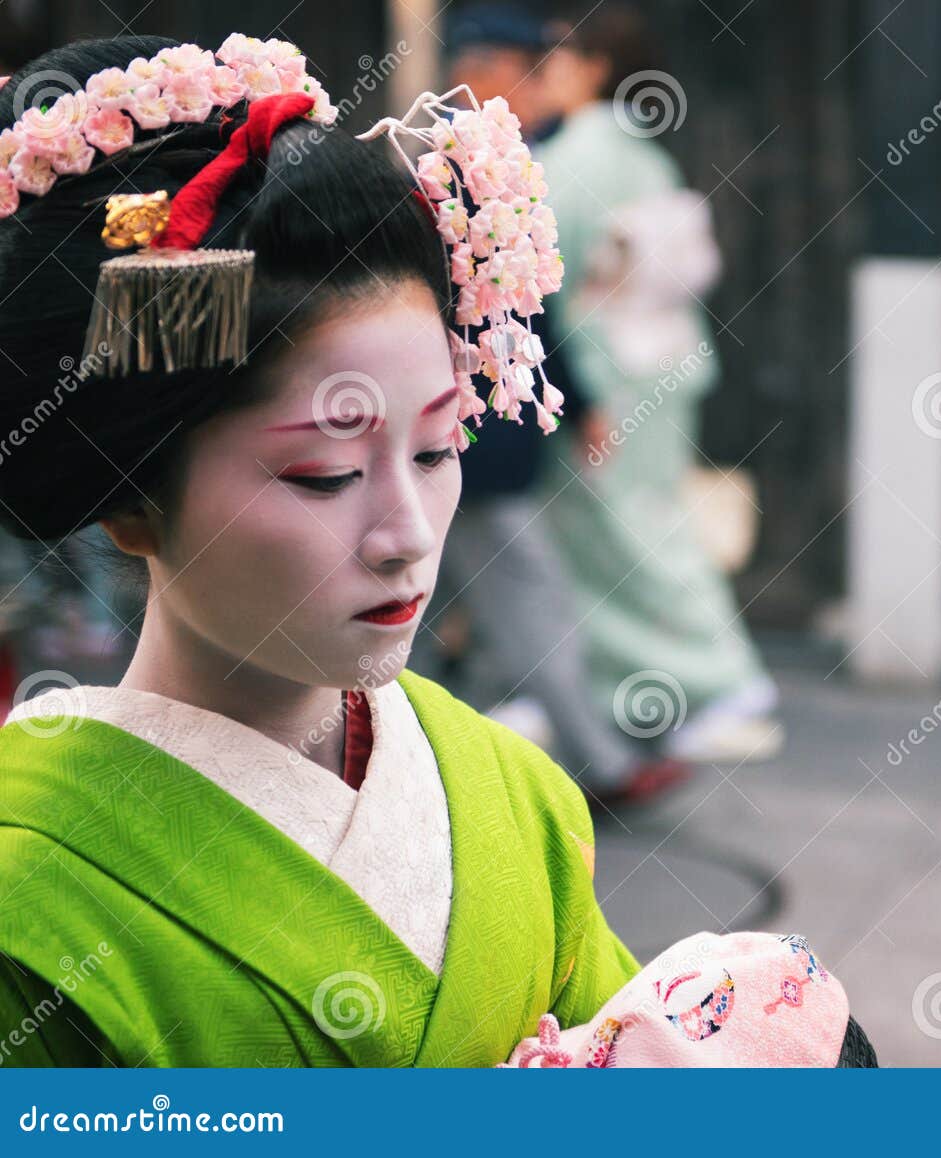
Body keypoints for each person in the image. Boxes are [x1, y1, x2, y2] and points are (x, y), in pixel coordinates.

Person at [0, 34, 641, 1066]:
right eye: (325, 475)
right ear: (132, 499)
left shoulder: (516, 798)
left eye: (437, 448)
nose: (408, 535)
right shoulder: (29, 902)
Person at [410, 2, 689, 808]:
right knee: (523, 599)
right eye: (532, 73)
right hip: (471, 432)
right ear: (486, 74)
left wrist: (577, 401)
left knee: (429, 611)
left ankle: (403, 767)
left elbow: (532, 309)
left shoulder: (496, 163)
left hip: (473, 431)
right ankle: (604, 765)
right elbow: (506, 315)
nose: (544, 92)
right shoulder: (451, 170)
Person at [523, 3, 786, 765]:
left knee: (624, 533)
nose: (544, 70)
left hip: (609, 369)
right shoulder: (644, 154)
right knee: (639, 523)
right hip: (660, 361)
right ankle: (626, 690)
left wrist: (580, 389)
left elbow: (554, 274)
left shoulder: (574, 156)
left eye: (557, 56)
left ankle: (718, 681)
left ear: (595, 66)